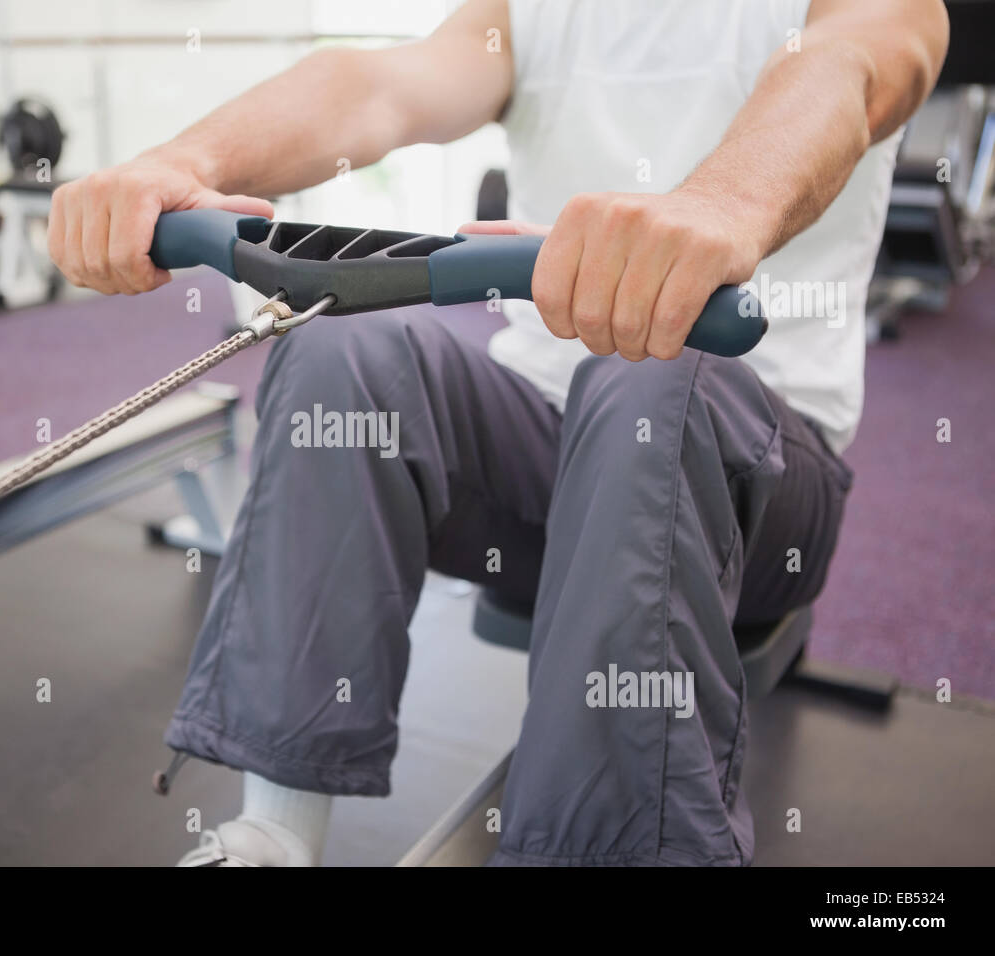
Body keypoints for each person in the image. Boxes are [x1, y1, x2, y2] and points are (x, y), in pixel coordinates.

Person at [47, 0, 948, 866]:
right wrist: (181, 160)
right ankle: (271, 840)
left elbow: (855, 64)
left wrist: (723, 204)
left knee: (646, 377)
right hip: (548, 461)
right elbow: (378, 85)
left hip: (755, 482)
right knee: (343, 349)